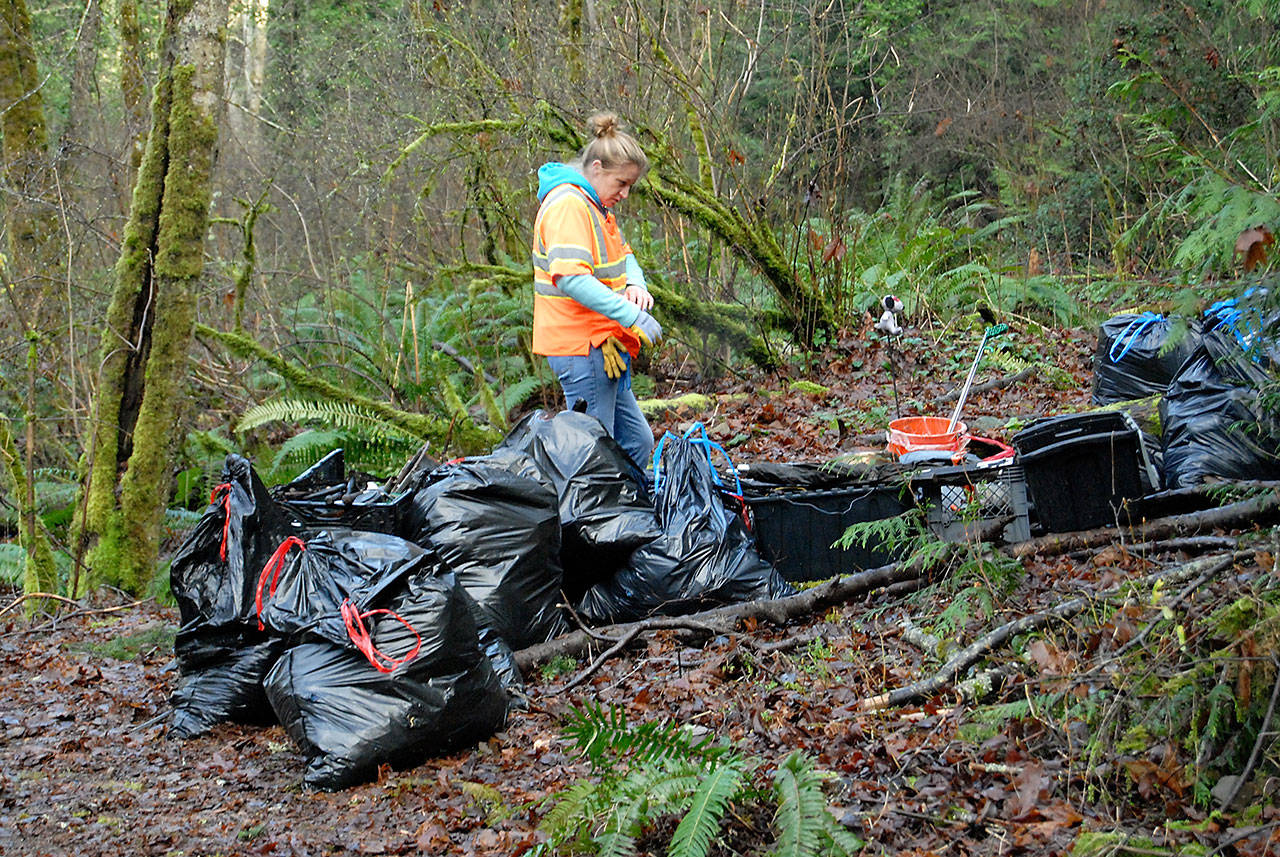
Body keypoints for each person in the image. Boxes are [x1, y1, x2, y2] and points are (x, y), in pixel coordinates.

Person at [531, 112, 663, 469]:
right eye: (621, 183)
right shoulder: (568, 206)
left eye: (630, 185)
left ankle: (625, 515)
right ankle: (587, 523)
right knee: (591, 456)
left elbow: (624, 254)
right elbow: (570, 279)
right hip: (581, 349)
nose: (625, 193)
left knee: (636, 441)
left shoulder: (596, 206)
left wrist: (636, 283)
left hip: (605, 345)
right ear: (598, 168)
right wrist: (631, 314)